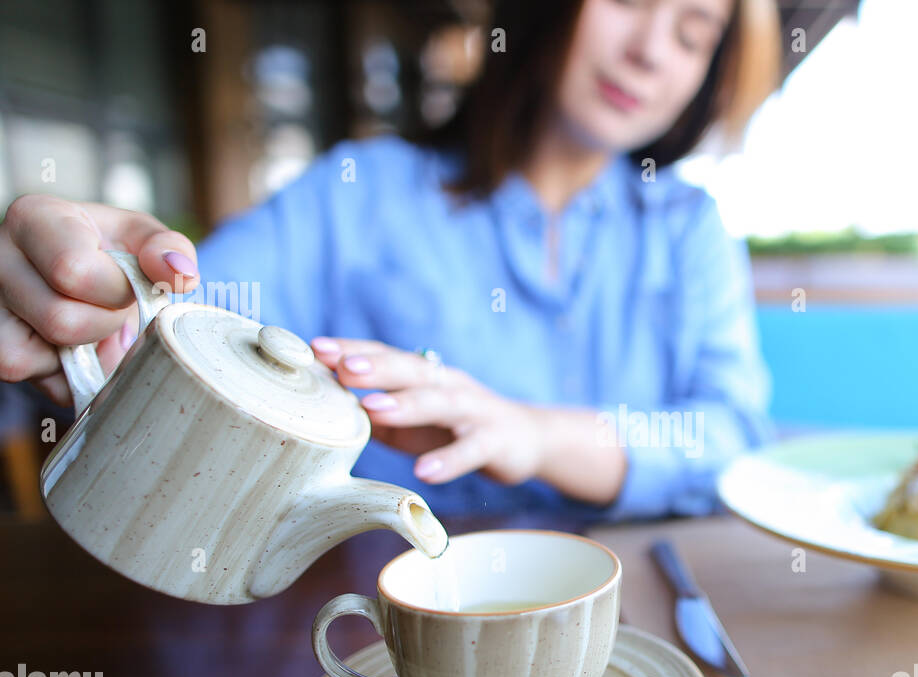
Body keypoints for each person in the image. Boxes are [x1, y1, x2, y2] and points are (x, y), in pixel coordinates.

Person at [0, 0, 779, 522]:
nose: (649, 51)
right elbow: (174, 325)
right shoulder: (357, 192)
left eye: (693, 33)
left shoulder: (688, 228)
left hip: (634, 614)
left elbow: (733, 436)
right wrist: (84, 297)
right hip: (373, 618)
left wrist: (533, 435)